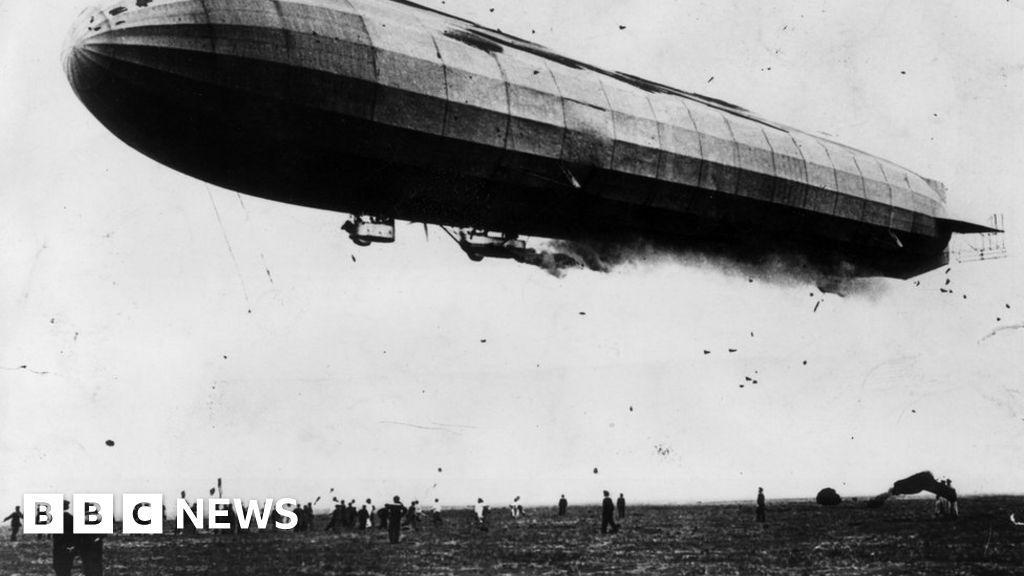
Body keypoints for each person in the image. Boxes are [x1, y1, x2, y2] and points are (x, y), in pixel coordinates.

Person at [53, 500, 76, 576]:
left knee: (59, 568)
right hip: (68, 547)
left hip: (59, 546)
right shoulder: (71, 518)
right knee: (67, 568)